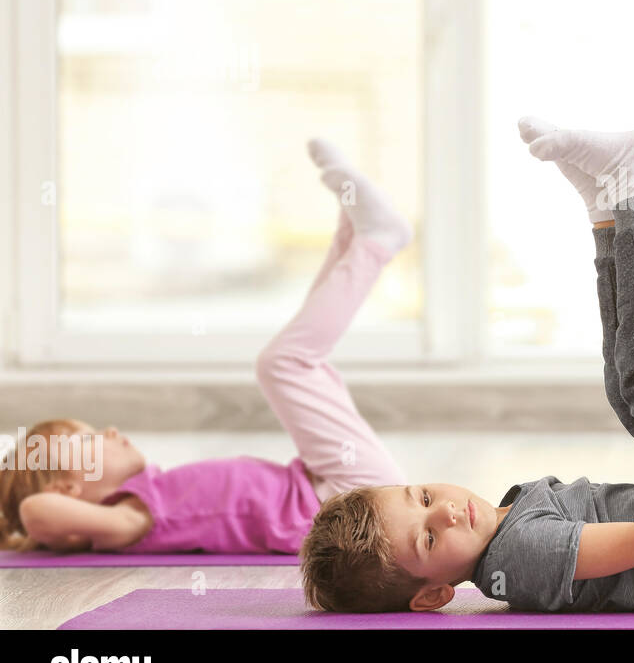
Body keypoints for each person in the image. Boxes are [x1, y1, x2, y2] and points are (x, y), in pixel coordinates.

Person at [298, 120, 634, 612]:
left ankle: (608, 209)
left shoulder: (507, 523)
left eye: (425, 497)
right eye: (429, 537)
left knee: (626, 390)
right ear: (434, 594)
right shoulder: (519, 556)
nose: (448, 511)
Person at [0, 140, 409, 553]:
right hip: (354, 507)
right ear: (67, 490)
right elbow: (37, 510)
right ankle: (372, 244)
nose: (107, 430)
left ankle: (355, 238)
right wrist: (31, 517)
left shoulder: (149, 493)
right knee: (285, 364)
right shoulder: (131, 516)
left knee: (301, 364)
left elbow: (39, 509)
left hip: (329, 489)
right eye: (88, 441)